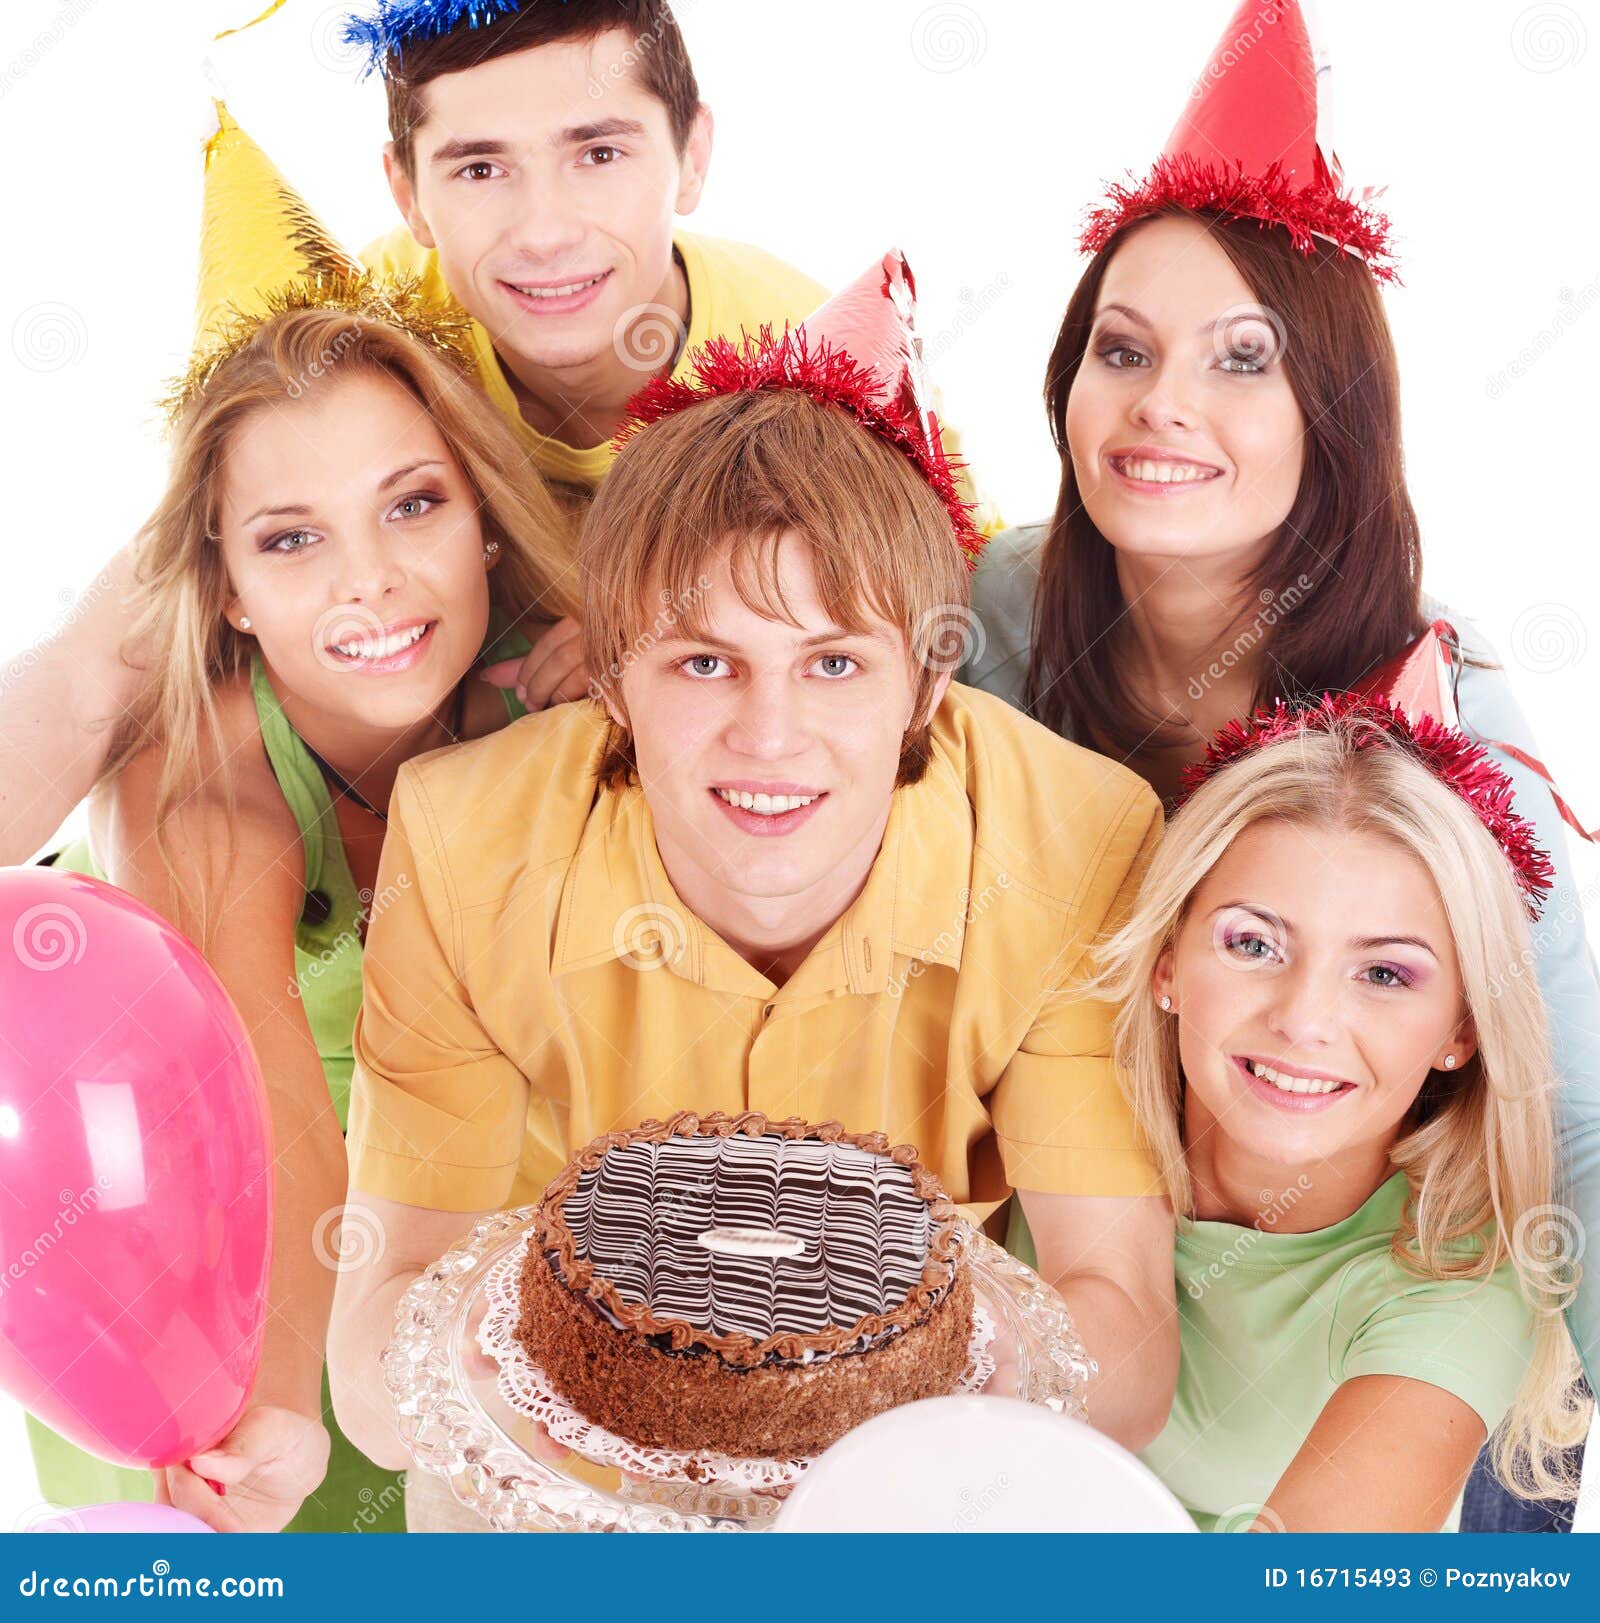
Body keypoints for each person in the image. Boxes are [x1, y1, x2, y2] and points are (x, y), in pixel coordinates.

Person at [326, 264, 1178, 1530]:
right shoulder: (464, 836)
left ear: (928, 688)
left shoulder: (1074, 841)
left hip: (919, 1479)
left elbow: (1124, 1333)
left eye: (832, 661)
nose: (767, 737)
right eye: (704, 661)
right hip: (559, 1484)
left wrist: (864, 1414)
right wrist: (561, 1396)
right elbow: (376, 1364)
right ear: (612, 678)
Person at [959, 0, 1598, 1524]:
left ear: (1336, 410)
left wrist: (1536, 1318)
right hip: (1115, 1236)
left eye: (1242, 358)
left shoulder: (1455, 706)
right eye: (1125, 349)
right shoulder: (984, 612)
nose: (1165, 402)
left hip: (1392, 1288)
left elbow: (1572, 1104)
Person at [23, 105, 576, 1533]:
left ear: (484, 516)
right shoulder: (197, 771)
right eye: (292, 538)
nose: (371, 585)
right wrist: (272, 1403)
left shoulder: (557, 683)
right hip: (209, 1284)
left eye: (412, 506)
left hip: (473, 1247)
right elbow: (280, 1117)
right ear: (223, 585)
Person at [1082, 696, 1589, 1531]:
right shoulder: (1060, 1083)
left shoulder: (1459, 1285)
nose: (1303, 1018)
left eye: (1385, 974)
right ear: (1167, 962)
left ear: (1459, 1031)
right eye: (1253, 944)